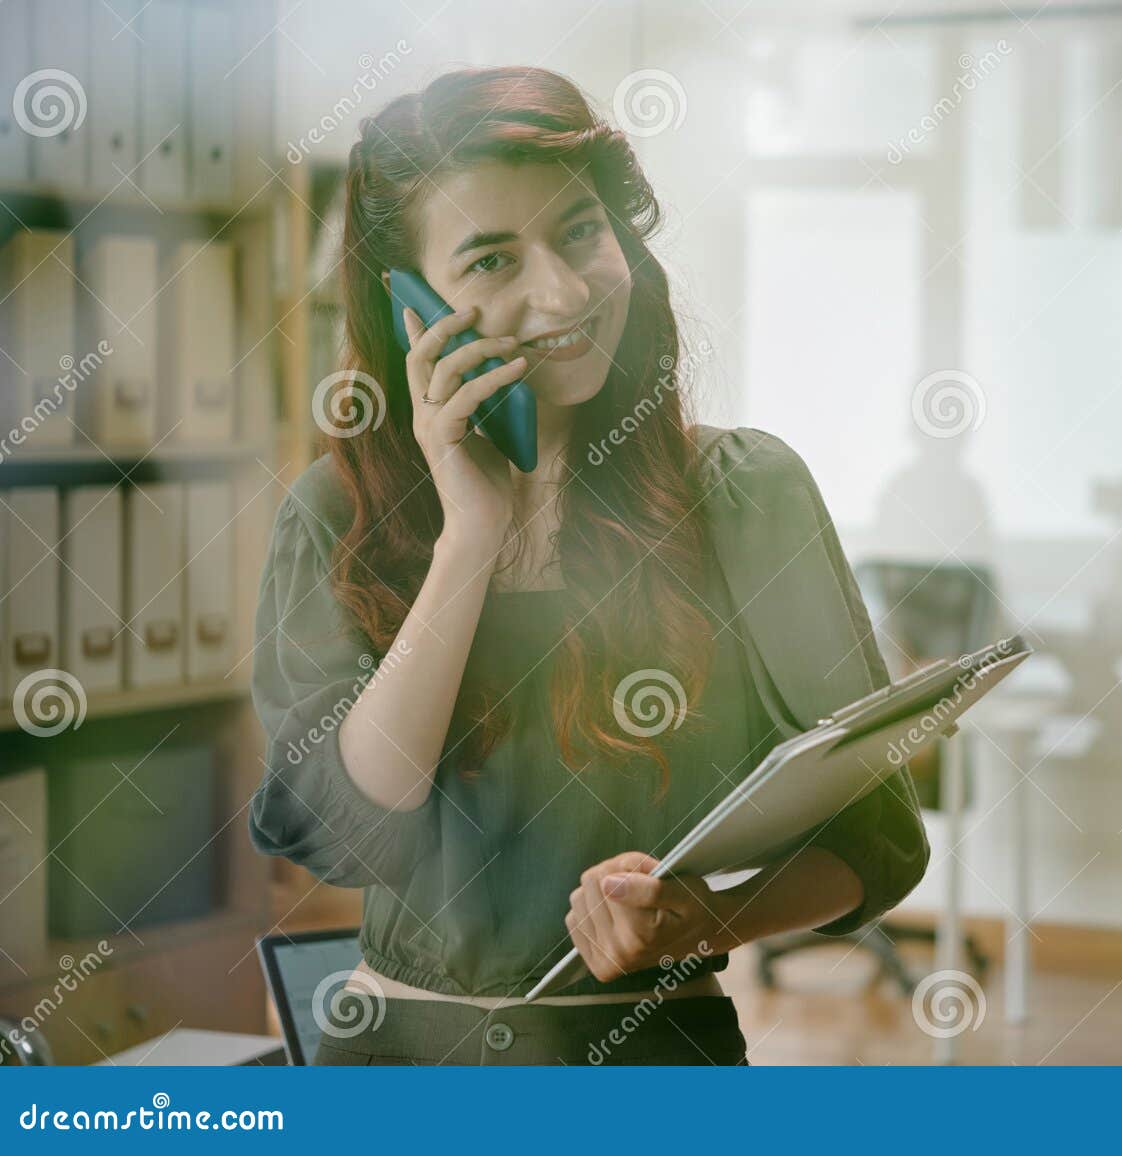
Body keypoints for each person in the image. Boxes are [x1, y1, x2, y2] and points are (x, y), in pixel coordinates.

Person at [246, 66, 929, 1066]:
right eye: (489, 259)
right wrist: (468, 537)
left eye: (579, 232)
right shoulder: (336, 515)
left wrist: (698, 920)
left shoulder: (746, 494)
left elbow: (876, 841)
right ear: (409, 308)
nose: (561, 293)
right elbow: (350, 835)